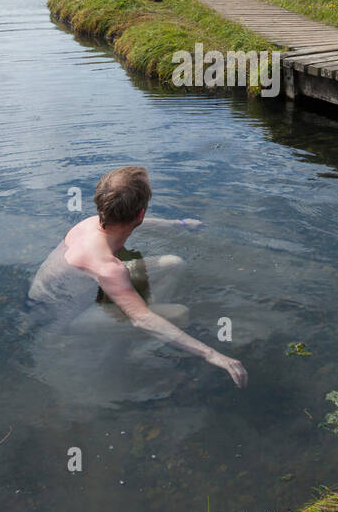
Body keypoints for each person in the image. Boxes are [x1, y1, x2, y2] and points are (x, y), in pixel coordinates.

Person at [27, 165, 247, 388]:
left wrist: (178, 225)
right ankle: (119, 359)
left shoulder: (92, 223)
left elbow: (136, 225)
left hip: (60, 297)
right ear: (140, 213)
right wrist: (211, 354)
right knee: (179, 314)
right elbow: (139, 318)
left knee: (173, 265)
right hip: (63, 319)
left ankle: (137, 333)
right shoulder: (107, 266)